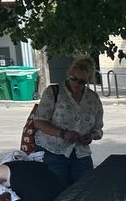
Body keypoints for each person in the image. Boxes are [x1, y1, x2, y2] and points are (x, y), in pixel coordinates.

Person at [32, 57, 104, 187]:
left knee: (83, 191)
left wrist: (91, 136)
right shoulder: (53, 92)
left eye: (82, 81)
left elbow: (98, 129)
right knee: (55, 192)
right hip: (52, 150)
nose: (77, 83)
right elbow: (39, 121)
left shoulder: (93, 98)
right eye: (73, 78)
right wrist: (62, 133)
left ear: (88, 80)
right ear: (68, 75)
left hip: (80, 152)